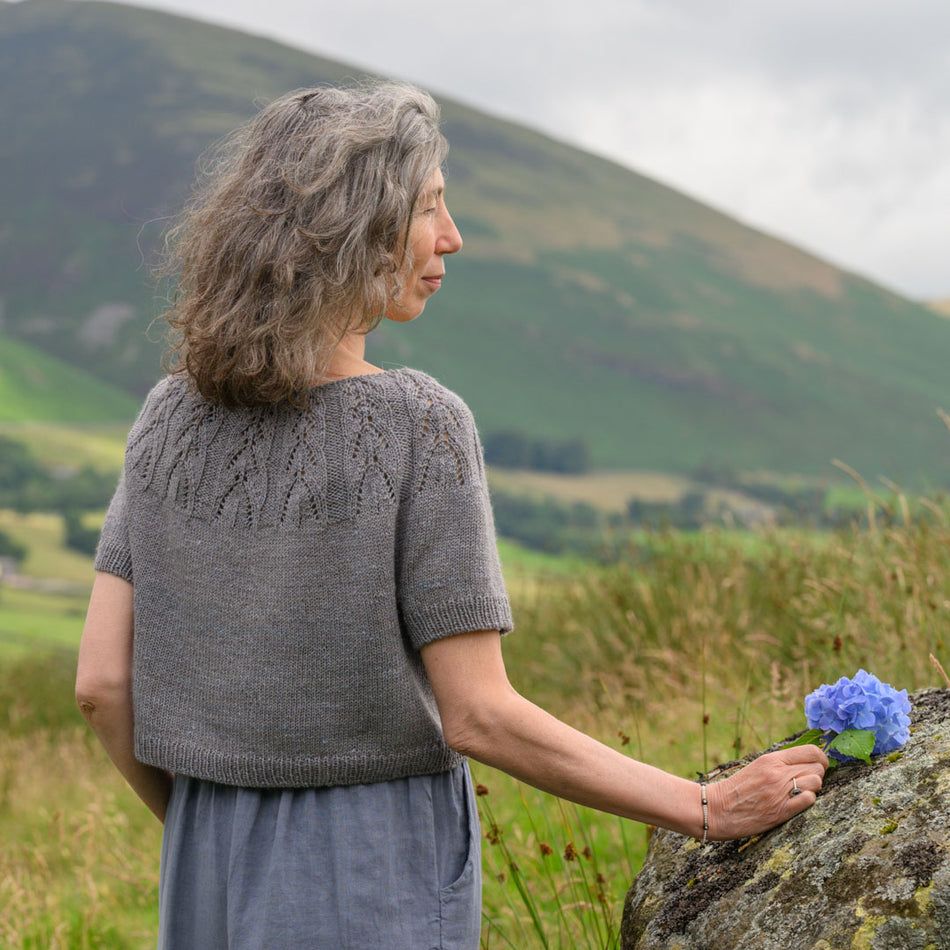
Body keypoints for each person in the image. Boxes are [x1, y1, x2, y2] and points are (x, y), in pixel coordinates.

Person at [76, 81, 827, 949]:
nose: (451, 236)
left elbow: (101, 687)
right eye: (429, 205)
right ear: (356, 225)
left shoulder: (168, 413)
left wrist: (210, 827)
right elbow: (479, 713)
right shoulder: (418, 423)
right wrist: (703, 805)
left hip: (205, 852)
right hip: (371, 863)